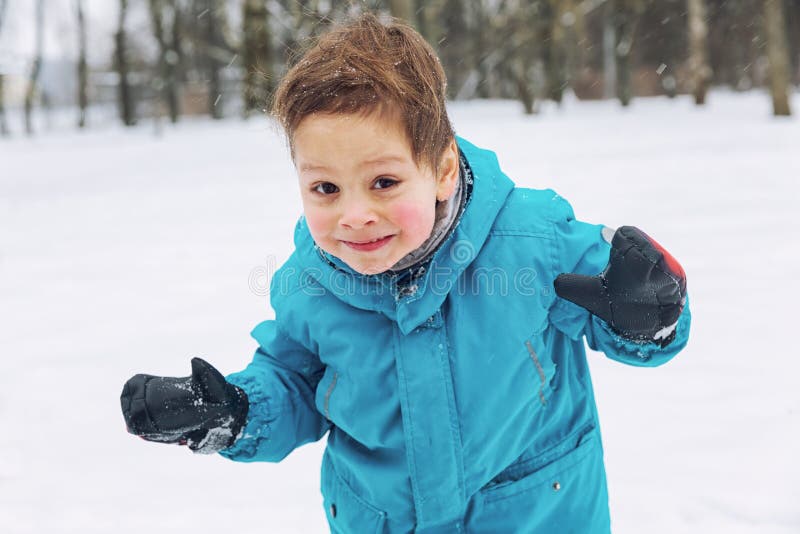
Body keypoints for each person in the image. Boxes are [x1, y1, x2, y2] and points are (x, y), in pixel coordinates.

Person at [120, 13, 690, 533]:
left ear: (442, 171)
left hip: (535, 515)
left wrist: (647, 313)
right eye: (325, 188)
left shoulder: (533, 240)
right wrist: (236, 411)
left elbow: (633, 317)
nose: (354, 214)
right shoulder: (309, 284)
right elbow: (294, 380)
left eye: (384, 182)